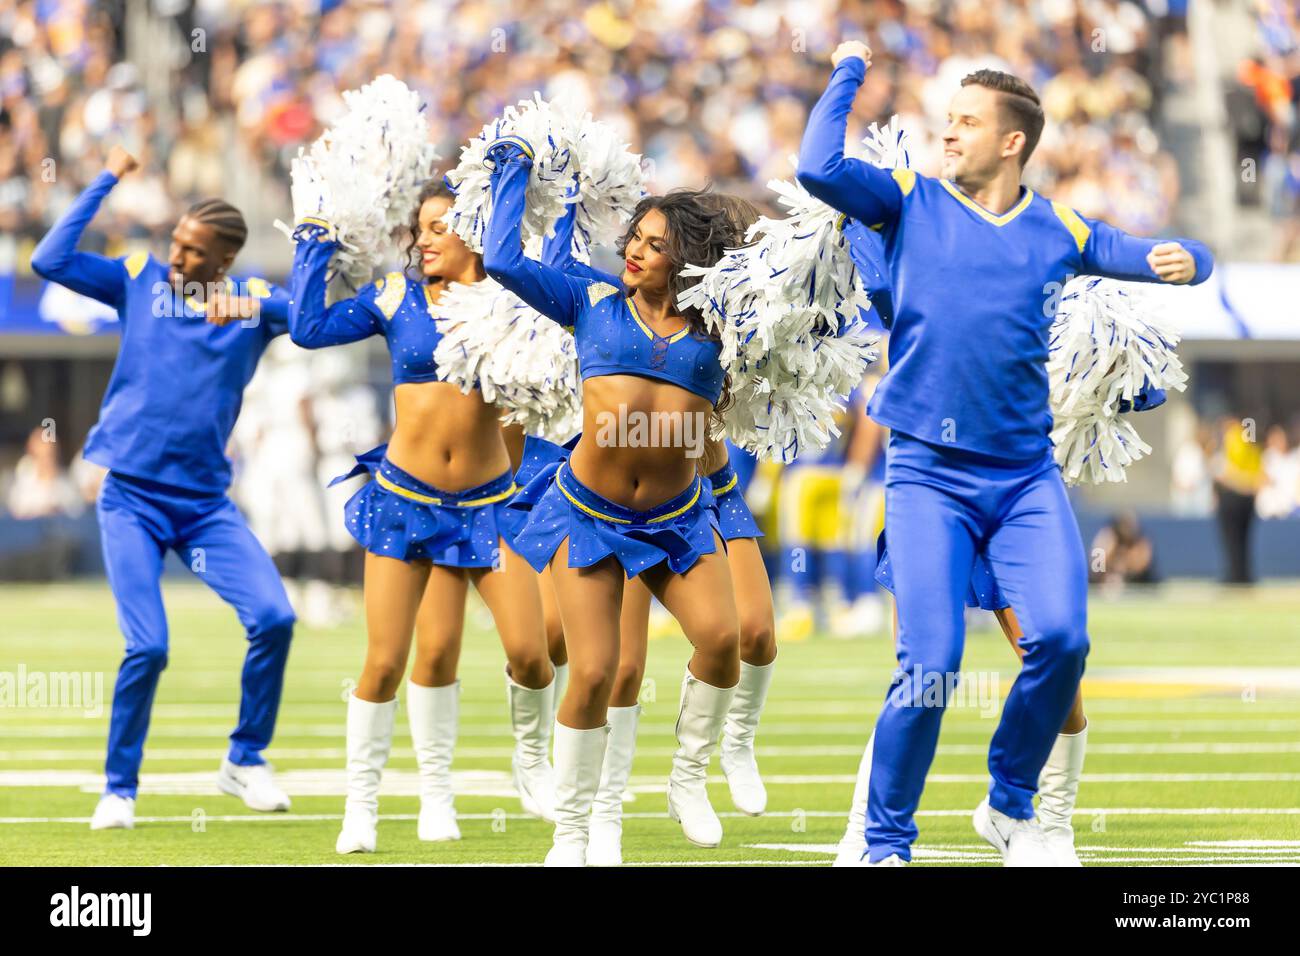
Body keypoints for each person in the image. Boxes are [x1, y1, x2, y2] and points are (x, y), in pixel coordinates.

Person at [798, 39, 1213, 865]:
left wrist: (1185, 261)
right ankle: (882, 843)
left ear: (1012, 141)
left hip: (1024, 477)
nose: (948, 133)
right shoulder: (909, 199)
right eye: (947, 119)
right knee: (931, 665)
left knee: (1062, 641)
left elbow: (1171, 259)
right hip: (924, 472)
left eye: (967, 122)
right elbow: (816, 167)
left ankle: (1012, 801)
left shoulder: (1055, 224)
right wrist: (848, 69)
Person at [483, 138, 744, 866]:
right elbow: (504, 263)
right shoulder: (591, 301)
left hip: (677, 521)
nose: (634, 250)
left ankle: (688, 777)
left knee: (724, 642)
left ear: (685, 260)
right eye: (634, 236)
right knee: (594, 673)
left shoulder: (719, 326)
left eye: (655, 245)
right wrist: (511, 174)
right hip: (589, 514)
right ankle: (571, 833)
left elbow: (810, 321)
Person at [30, 146, 298, 831]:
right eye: (176, 242)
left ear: (224, 260)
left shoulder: (252, 306)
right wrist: (108, 179)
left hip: (206, 509)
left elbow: (317, 320)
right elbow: (50, 260)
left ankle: (244, 759)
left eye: (193, 251)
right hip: (132, 502)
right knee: (148, 646)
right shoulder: (138, 276)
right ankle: (119, 787)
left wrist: (251, 301)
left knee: (275, 617)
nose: (177, 257)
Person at [285, 180, 556, 854]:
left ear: (475, 235)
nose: (424, 239)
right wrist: (313, 244)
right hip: (406, 500)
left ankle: (531, 761)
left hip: (488, 506)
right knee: (393, 659)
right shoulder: (392, 296)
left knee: (532, 652)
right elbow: (307, 328)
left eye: (440, 228)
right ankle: (372, 804)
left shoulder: (509, 305)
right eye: (421, 228)